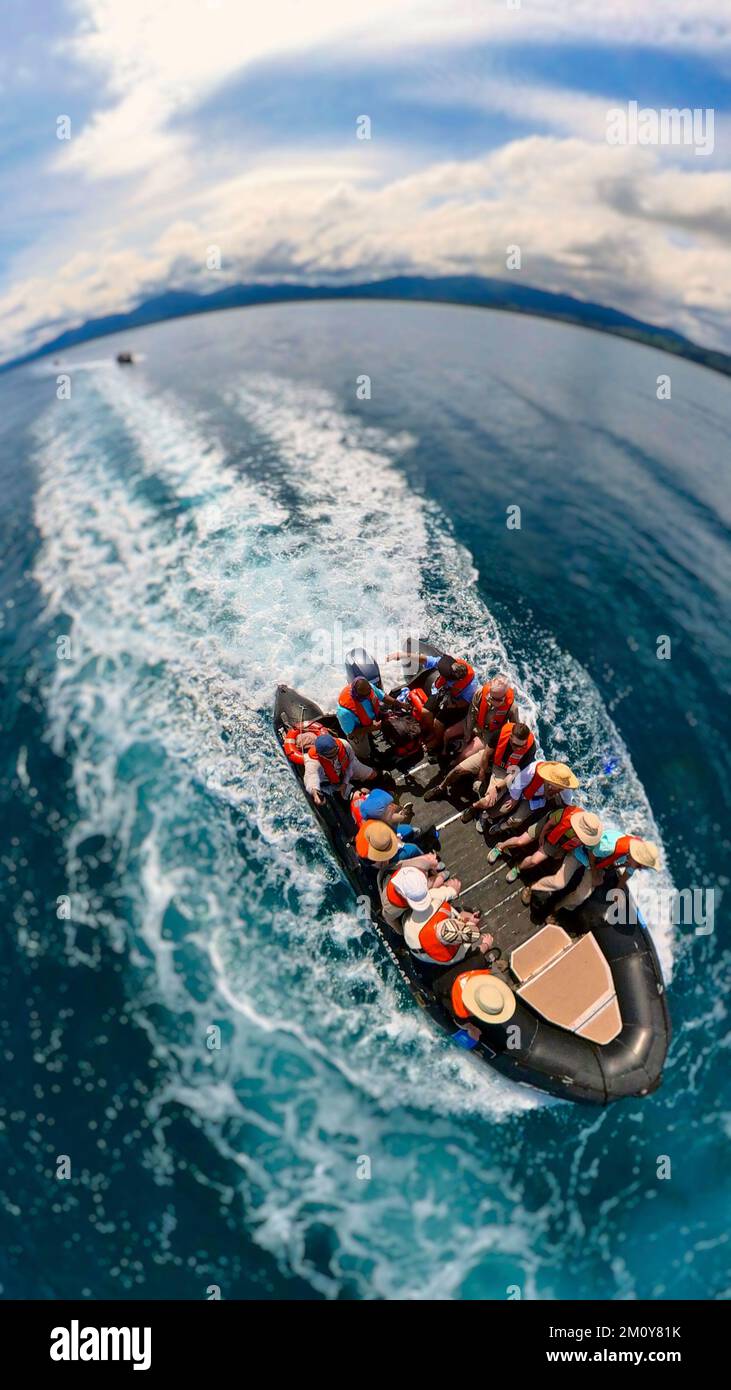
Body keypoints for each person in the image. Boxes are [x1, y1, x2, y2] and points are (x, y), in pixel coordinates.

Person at [488, 807, 603, 894]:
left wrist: (561, 851)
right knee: (520, 841)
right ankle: (500, 846)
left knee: (534, 860)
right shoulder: (564, 815)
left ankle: (517, 868)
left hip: (556, 841)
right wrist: (542, 836)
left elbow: (570, 845)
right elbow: (549, 824)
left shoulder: (585, 840)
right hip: (546, 828)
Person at [387, 649, 478, 755]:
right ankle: (433, 732)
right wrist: (402, 655)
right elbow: (425, 659)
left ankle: (437, 740)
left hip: (456, 702)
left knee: (438, 723)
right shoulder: (447, 664)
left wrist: (452, 705)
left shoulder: (470, 686)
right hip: (441, 692)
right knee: (425, 712)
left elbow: (465, 702)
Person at [552, 829, 660, 914]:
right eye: (641, 865)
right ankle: (553, 905)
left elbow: (628, 872)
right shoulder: (609, 847)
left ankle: (562, 907)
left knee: (579, 898)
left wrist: (617, 890)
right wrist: (594, 874)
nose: (640, 868)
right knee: (570, 889)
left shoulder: (634, 861)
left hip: (601, 863)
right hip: (584, 854)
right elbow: (592, 853)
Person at [403, 878, 493, 965]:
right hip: (415, 942)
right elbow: (465, 944)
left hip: (414, 942)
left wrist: (451, 891)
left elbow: (430, 895)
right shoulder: (456, 955)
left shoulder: (427, 910)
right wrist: (471, 923)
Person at [483, 759, 578, 835]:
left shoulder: (565, 786)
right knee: (504, 809)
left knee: (516, 820)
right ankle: (487, 814)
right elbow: (518, 783)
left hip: (534, 800)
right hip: (520, 792)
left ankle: (501, 826)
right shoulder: (534, 769)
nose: (561, 789)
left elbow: (567, 802)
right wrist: (514, 800)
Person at [335, 677, 407, 761]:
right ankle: (366, 760)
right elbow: (351, 733)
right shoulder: (344, 712)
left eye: (369, 693)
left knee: (394, 721)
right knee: (364, 753)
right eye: (364, 696)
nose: (368, 696)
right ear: (356, 693)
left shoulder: (369, 688)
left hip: (372, 717)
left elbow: (383, 697)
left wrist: (400, 704)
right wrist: (372, 728)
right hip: (358, 729)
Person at [436, 967, 516, 1039]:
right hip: (441, 982)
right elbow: (462, 1023)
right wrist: (472, 1029)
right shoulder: (460, 1011)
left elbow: (493, 970)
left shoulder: (491, 973)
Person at [379, 864, 460, 932]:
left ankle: (440, 878)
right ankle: (440, 878)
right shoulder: (414, 874)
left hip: (394, 900)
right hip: (396, 903)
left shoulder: (406, 875)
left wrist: (400, 931)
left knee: (388, 916)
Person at [303, 732, 377, 806]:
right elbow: (310, 777)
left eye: (335, 752)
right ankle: (348, 795)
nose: (334, 756)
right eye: (330, 756)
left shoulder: (344, 744)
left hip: (347, 769)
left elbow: (351, 762)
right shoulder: (312, 761)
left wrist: (345, 782)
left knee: (373, 774)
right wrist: (315, 792)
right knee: (358, 796)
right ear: (320, 754)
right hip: (332, 782)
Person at [355, 820, 443, 874]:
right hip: (385, 860)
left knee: (407, 830)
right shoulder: (371, 855)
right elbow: (384, 861)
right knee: (411, 849)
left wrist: (394, 837)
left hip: (387, 845)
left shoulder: (368, 830)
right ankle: (428, 863)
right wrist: (398, 843)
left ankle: (422, 839)